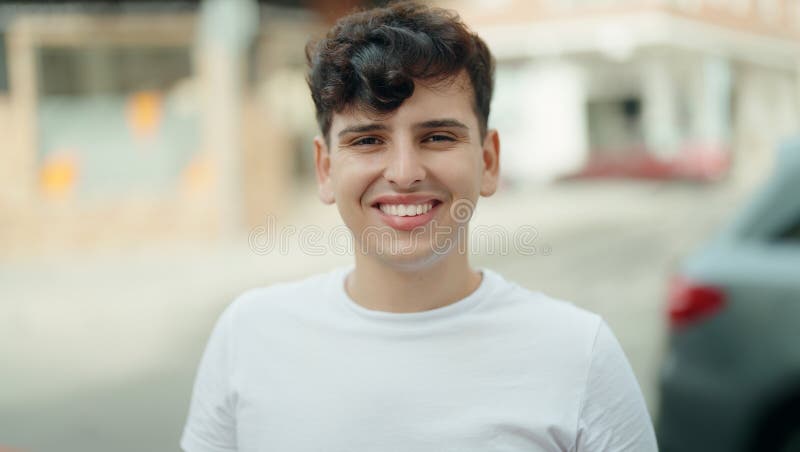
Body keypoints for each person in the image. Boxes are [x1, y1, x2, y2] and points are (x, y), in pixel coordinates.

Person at [180, 2, 658, 451]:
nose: (404, 173)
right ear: (325, 169)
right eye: (368, 140)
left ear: (488, 161)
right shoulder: (249, 337)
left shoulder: (579, 355)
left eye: (437, 137)